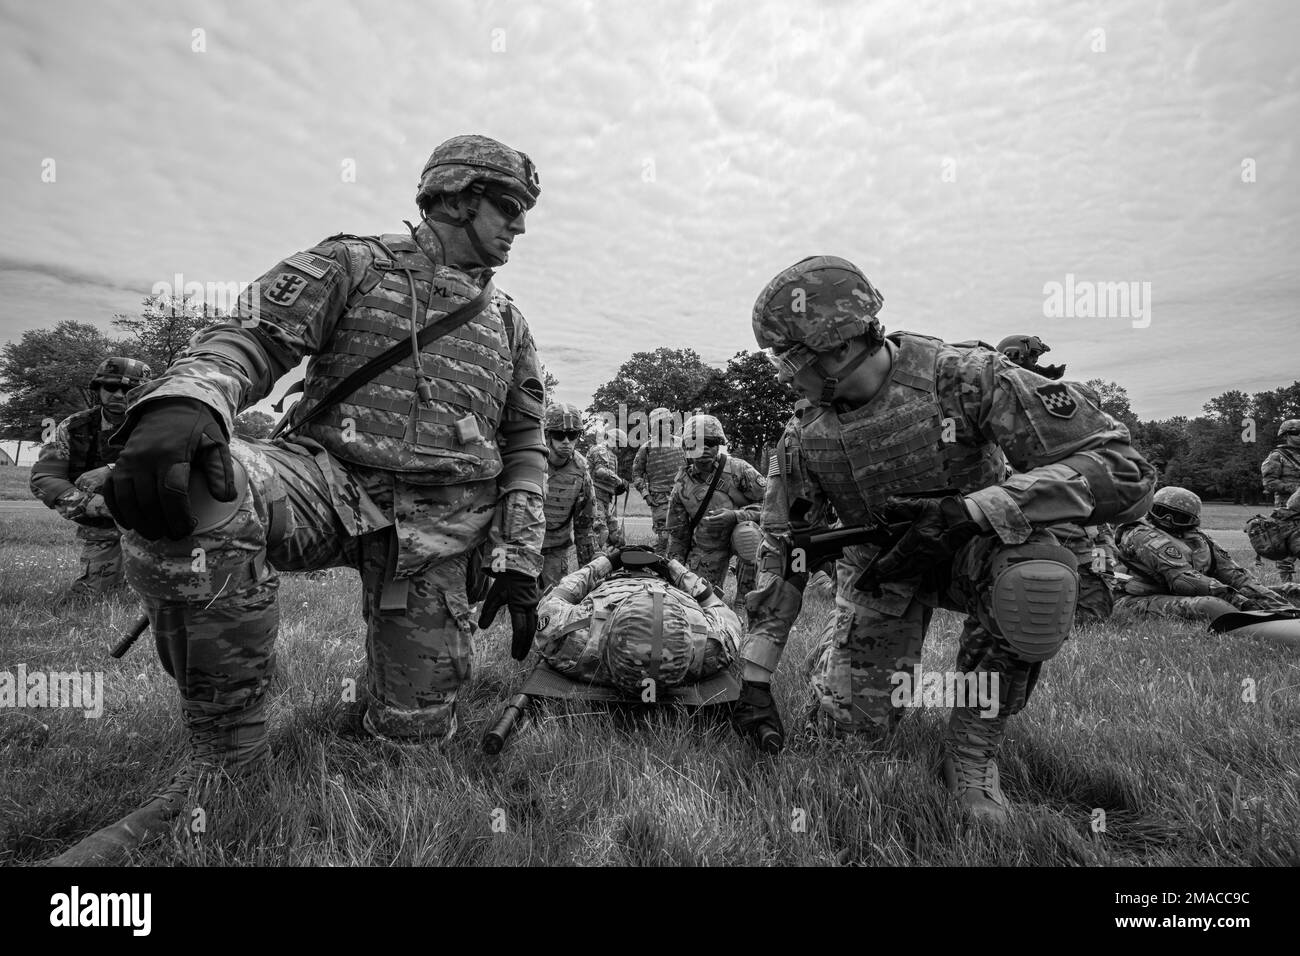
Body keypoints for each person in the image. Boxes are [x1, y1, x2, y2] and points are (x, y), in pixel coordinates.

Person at [51, 134, 548, 866]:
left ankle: (388, 716)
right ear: (454, 195)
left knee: (410, 747)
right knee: (202, 487)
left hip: (438, 532)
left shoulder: (507, 323)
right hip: (325, 484)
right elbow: (247, 337)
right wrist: (187, 402)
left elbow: (527, 447)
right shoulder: (354, 263)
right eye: (508, 206)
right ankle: (226, 761)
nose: (520, 226)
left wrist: (522, 555)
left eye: (526, 211)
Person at [734, 255, 1155, 823]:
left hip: (979, 553)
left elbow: (1123, 469)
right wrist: (756, 675)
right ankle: (835, 661)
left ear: (838, 348)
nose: (783, 374)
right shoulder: (804, 432)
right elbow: (785, 549)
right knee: (845, 750)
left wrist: (974, 510)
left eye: (788, 358)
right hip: (881, 574)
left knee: (1037, 576)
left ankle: (972, 751)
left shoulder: (966, 378)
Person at [995, 335, 1116, 624]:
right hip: (1041, 536)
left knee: (1095, 612)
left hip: (1090, 537)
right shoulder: (1007, 425)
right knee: (1032, 610)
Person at [533, 545, 742, 697]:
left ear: (605, 639)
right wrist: (673, 569)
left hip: (615, 588)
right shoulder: (707, 645)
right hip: (666, 588)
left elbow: (557, 597)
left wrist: (608, 562)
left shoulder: (577, 643)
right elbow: (716, 605)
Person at [30, 357, 152, 600]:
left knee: (166, 594)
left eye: (128, 389)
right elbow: (44, 479)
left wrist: (113, 469)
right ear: (98, 389)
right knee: (92, 598)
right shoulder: (74, 427)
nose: (118, 394)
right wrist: (94, 505)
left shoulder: (160, 425)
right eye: (110, 387)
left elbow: (175, 463)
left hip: (156, 528)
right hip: (104, 528)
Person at [1114, 486, 1300, 622]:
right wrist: (1241, 602)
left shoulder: (1200, 539)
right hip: (1135, 599)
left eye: (1178, 517)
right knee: (1211, 606)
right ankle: (1257, 622)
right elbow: (1185, 580)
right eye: (1161, 512)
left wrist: (1280, 607)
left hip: (1183, 592)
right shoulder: (1140, 534)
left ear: (1191, 521)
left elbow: (1236, 576)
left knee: (1288, 590)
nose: (1168, 521)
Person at [666, 414, 766, 594]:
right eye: (695, 443)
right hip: (708, 546)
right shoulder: (682, 485)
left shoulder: (739, 470)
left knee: (747, 535)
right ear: (686, 447)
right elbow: (678, 536)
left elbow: (772, 506)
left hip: (743, 536)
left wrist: (736, 516)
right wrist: (673, 574)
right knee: (700, 596)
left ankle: (745, 598)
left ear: (719, 444)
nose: (703, 449)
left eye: (710, 443)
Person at [540, 402, 597, 590]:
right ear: (547, 435)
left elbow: (584, 528)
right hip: (522, 546)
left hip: (555, 548)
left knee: (551, 600)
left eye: (572, 435)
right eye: (559, 435)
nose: (566, 441)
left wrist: (589, 575)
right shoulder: (530, 461)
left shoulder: (581, 471)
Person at [631, 407, 685, 553]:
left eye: (670, 422)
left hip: (682, 496)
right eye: (663, 422)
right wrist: (646, 495)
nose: (668, 425)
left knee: (683, 536)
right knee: (663, 538)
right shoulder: (646, 448)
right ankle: (660, 569)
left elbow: (693, 468)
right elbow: (636, 474)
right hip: (659, 499)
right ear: (655, 426)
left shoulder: (682, 443)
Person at [1260, 419, 1300, 582]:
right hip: (1288, 510)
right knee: (1289, 549)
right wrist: (1296, 488)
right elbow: (1269, 483)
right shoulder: (1277, 456)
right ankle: (1286, 587)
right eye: (1297, 433)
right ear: (1287, 435)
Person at [587, 427, 628, 549]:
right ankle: (596, 558)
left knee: (615, 534)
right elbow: (600, 471)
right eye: (619, 447)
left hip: (604, 498)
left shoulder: (610, 454)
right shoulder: (601, 450)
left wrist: (615, 487)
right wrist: (619, 481)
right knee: (601, 531)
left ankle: (611, 559)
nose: (620, 451)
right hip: (595, 497)